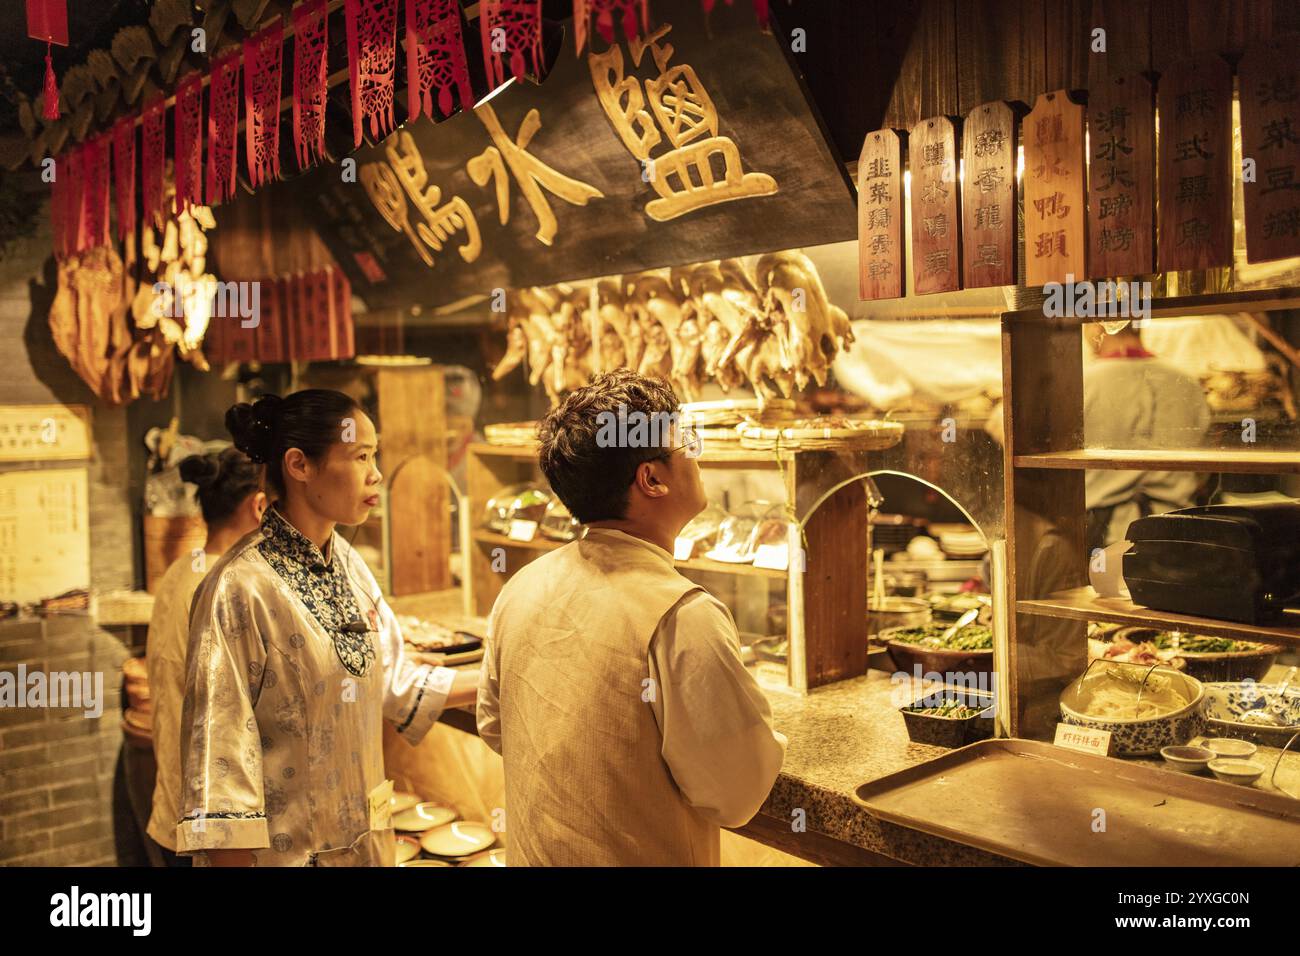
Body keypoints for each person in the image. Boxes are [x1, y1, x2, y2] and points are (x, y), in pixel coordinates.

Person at [477, 370, 787, 866]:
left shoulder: (522, 586)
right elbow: (736, 792)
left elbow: (495, 726)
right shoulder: (683, 616)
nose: (697, 453)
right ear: (652, 479)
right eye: (686, 441)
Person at [176, 389, 479, 866]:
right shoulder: (237, 589)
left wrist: (506, 672)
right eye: (360, 456)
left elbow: (396, 681)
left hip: (365, 848)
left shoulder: (351, 566)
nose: (375, 473)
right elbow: (221, 762)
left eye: (374, 456)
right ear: (299, 465)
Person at [146, 448, 266, 866]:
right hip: (210, 832)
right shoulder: (228, 587)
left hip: (175, 807)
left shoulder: (183, 569)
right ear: (259, 506)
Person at [1083, 323, 1211, 553]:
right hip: (1177, 528)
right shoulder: (1185, 380)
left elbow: (1006, 426)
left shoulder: (1083, 382)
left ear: (1096, 329)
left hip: (1106, 535)